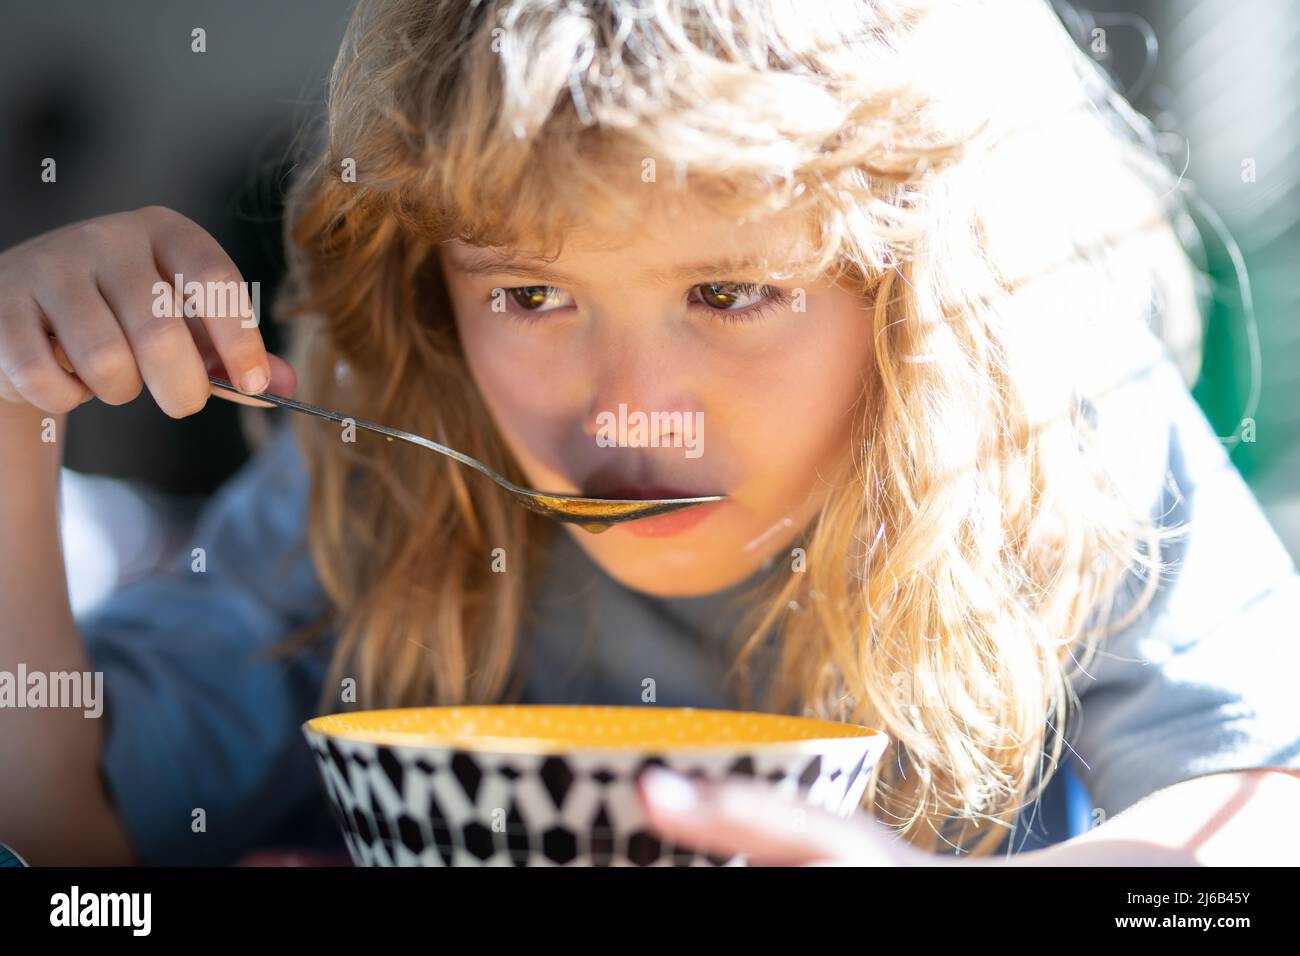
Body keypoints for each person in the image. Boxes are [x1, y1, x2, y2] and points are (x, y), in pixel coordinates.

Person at [1, 0, 1297, 866]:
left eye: (730, 294)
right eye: (530, 295)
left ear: (922, 288)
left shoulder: (1051, 433)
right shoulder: (384, 473)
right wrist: (13, 416)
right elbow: (70, 830)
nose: (623, 406)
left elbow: (1263, 811)